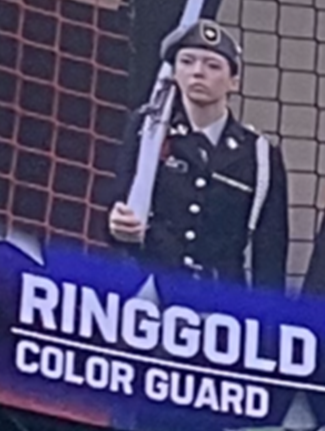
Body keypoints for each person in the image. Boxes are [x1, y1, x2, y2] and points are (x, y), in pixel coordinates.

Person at [108, 21, 289, 290]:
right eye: (186, 61)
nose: (198, 72)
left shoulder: (259, 154)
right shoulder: (146, 131)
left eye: (213, 66)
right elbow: (116, 202)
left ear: (234, 81)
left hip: (221, 297)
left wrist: (265, 313)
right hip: (152, 289)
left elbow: (270, 254)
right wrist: (117, 226)